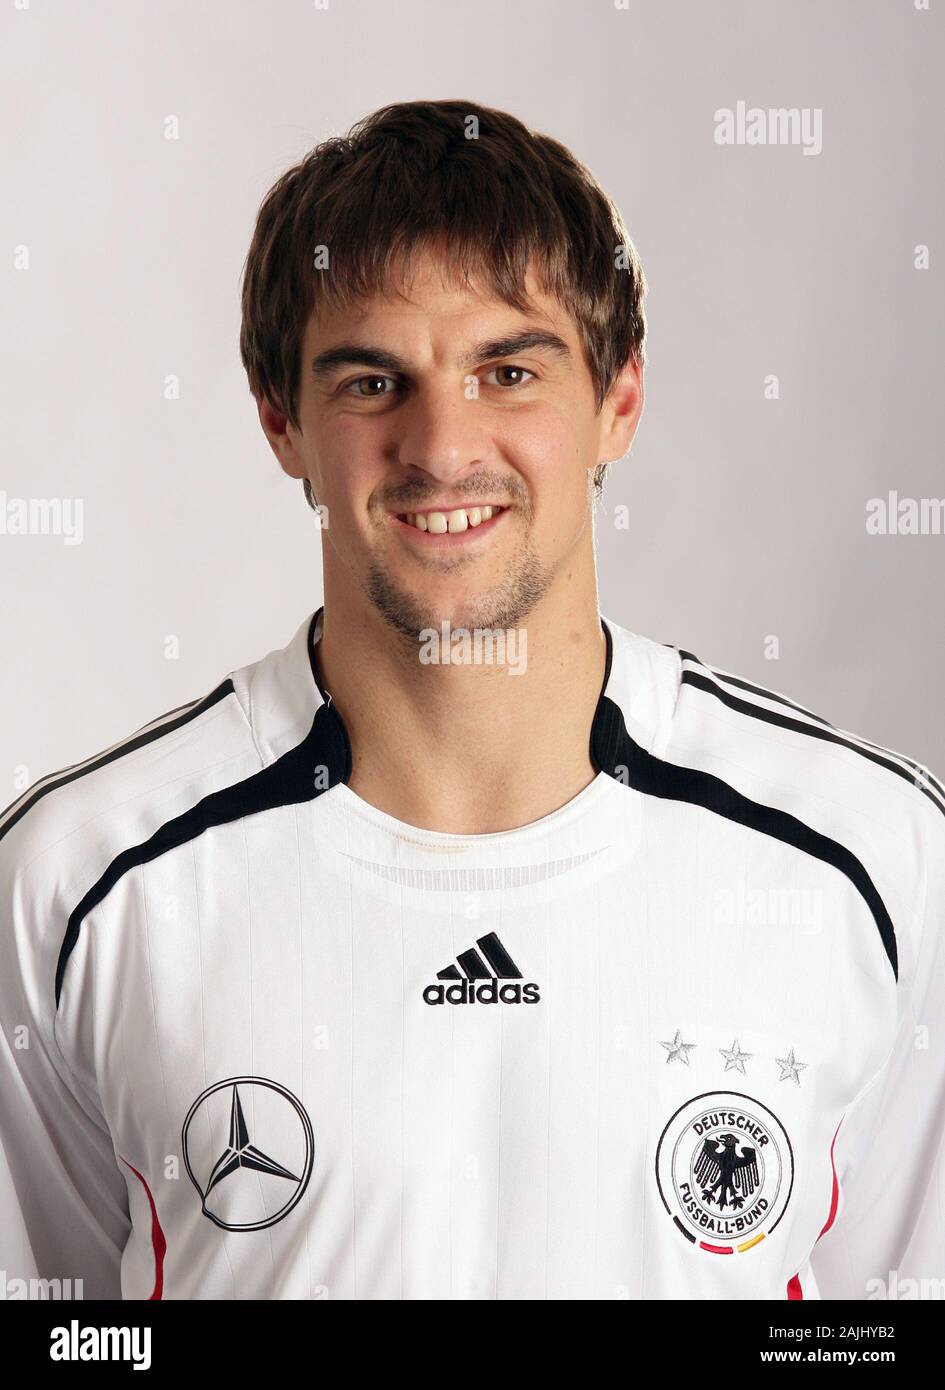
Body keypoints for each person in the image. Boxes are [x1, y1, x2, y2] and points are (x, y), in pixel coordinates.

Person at [1, 99, 942, 1301]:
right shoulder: (78, 880)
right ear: (281, 422)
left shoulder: (874, 857)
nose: (443, 446)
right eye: (371, 380)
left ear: (621, 400)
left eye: (510, 370)